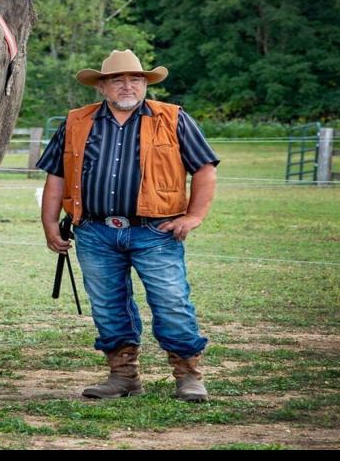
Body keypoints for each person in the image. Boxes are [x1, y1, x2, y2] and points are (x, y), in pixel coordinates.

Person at [38, 50, 220, 402]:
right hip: (94, 231)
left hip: (156, 231)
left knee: (171, 302)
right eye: (117, 80)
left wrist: (194, 216)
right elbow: (56, 174)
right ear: (103, 87)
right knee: (107, 305)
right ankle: (123, 377)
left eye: (135, 79)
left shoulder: (174, 118)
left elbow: (204, 168)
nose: (127, 86)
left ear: (145, 84)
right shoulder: (76, 121)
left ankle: (188, 376)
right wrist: (49, 223)